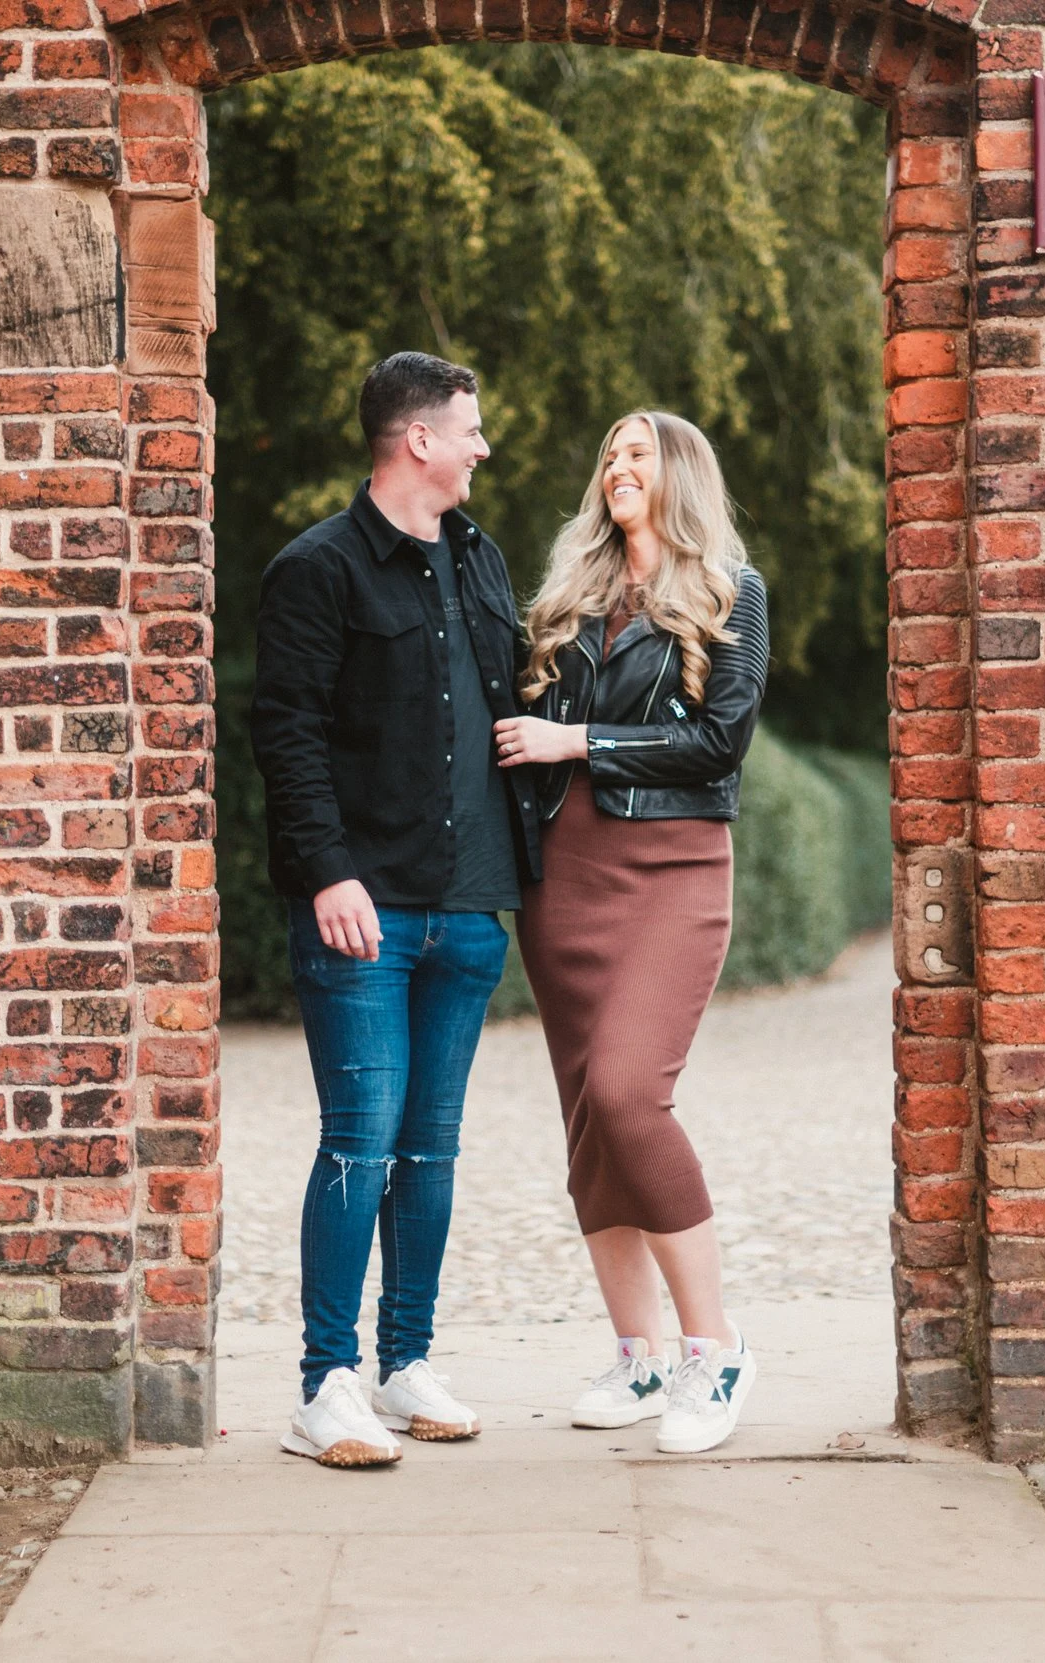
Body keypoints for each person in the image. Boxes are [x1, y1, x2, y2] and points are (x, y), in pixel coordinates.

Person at [250, 352, 541, 1469]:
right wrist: (328, 873)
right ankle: (324, 1385)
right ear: (416, 439)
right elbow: (287, 733)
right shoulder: (316, 569)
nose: (481, 448)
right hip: (359, 913)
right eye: (468, 429)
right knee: (358, 1147)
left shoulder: (479, 561)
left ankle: (403, 1360)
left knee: (430, 1152)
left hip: (467, 912)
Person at [492, 410, 770, 1456]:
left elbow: (717, 740)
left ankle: (715, 1348)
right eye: (606, 453)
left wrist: (579, 738)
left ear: (680, 474)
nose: (617, 467)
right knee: (585, 1119)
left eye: (637, 453)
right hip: (565, 877)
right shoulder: (571, 600)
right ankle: (638, 1354)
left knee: (626, 1091)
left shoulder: (732, 593)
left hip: (674, 869)